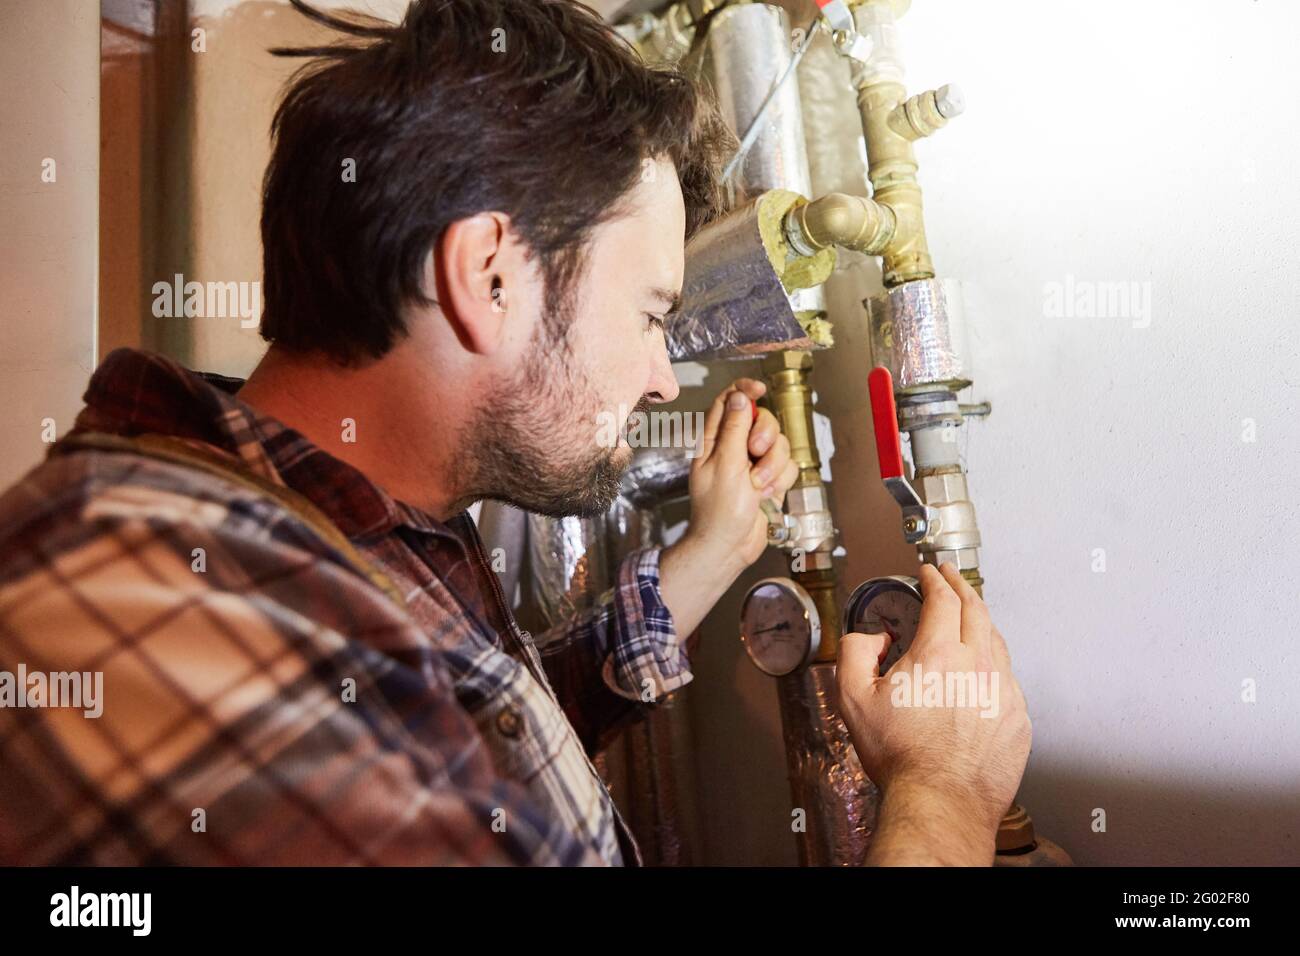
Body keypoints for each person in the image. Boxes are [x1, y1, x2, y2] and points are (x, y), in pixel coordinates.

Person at [0, 0, 1028, 866]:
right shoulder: (161, 613)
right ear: (488, 277)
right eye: (648, 314)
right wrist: (942, 791)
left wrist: (709, 555)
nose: (662, 372)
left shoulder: (337, 530)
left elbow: (475, 740)